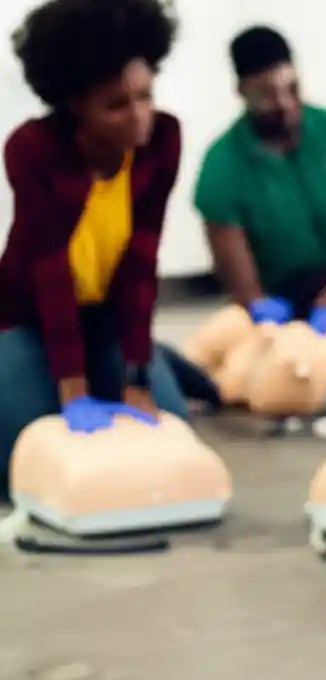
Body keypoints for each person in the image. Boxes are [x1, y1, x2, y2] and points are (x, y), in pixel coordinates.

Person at [0, 0, 187, 504]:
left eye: (145, 96)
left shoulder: (162, 140)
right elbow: (49, 272)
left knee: (170, 432)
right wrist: (73, 391)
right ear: (74, 106)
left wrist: (137, 371)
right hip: (29, 320)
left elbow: (143, 264)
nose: (140, 116)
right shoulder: (31, 150)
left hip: (104, 316)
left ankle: (164, 360)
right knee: (19, 457)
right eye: (116, 105)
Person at [194, 26, 326, 351]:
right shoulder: (223, 164)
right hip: (284, 295)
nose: (284, 104)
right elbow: (237, 271)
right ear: (241, 92)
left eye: (291, 88)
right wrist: (261, 309)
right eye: (267, 94)